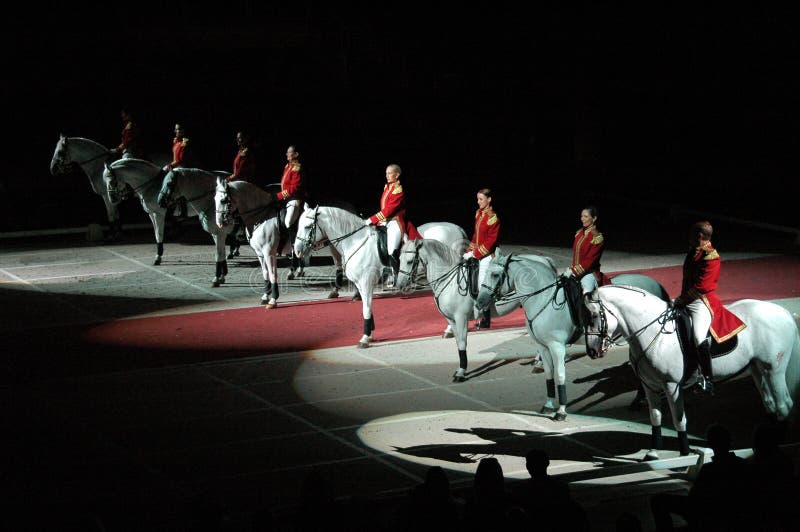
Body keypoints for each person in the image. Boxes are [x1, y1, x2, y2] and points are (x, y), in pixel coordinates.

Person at [672, 221, 746, 394]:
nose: (688, 237)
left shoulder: (711, 256)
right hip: (687, 298)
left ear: (699, 236)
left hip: (701, 301)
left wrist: (682, 300)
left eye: (691, 234)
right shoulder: (693, 251)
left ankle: (707, 378)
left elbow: (702, 287)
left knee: (698, 337)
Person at [364, 163, 421, 288]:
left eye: (390, 173)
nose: (387, 176)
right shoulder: (387, 188)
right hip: (386, 221)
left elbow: (389, 210)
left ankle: (397, 276)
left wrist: (372, 219)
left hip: (395, 221)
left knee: (391, 249)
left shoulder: (397, 189)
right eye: (386, 173)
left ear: (397, 175)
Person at [463, 188, 500, 329]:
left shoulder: (492, 217)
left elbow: (490, 242)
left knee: (481, 285)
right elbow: (475, 236)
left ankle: (485, 316)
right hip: (477, 252)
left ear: (489, 200)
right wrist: (468, 251)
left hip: (487, 255)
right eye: (478, 199)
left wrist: (474, 254)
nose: (478, 202)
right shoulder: (479, 214)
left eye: (481, 199)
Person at [225, 130, 256, 258]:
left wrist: (228, 179)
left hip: (244, 183)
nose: (238, 140)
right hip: (238, 181)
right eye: (237, 138)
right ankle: (235, 246)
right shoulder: (240, 151)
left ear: (246, 139)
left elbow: (239, 173)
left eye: (241, 138)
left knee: (236, 211)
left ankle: (241, 234)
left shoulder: (246, 152)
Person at [563, 205, 605, 296]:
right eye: (582, 216)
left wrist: (574, 271)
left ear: (594, 218)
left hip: (589, 273)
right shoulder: (579, 233)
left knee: (586, 295)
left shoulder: (597, 237)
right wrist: (571, 269)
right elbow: (577, 257)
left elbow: (590, 261)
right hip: (575, 271)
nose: (582, 219)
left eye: (586, 216)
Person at [163, 122, 192, 220]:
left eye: (178, 129)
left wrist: (169, 165)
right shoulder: (175, 141)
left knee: (177, 185)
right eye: (176, 129)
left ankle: (183, 211)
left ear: (183, 131)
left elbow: (180, 159)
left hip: (183, 168)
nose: (176, 131)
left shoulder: (185, 141)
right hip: (176, 167)